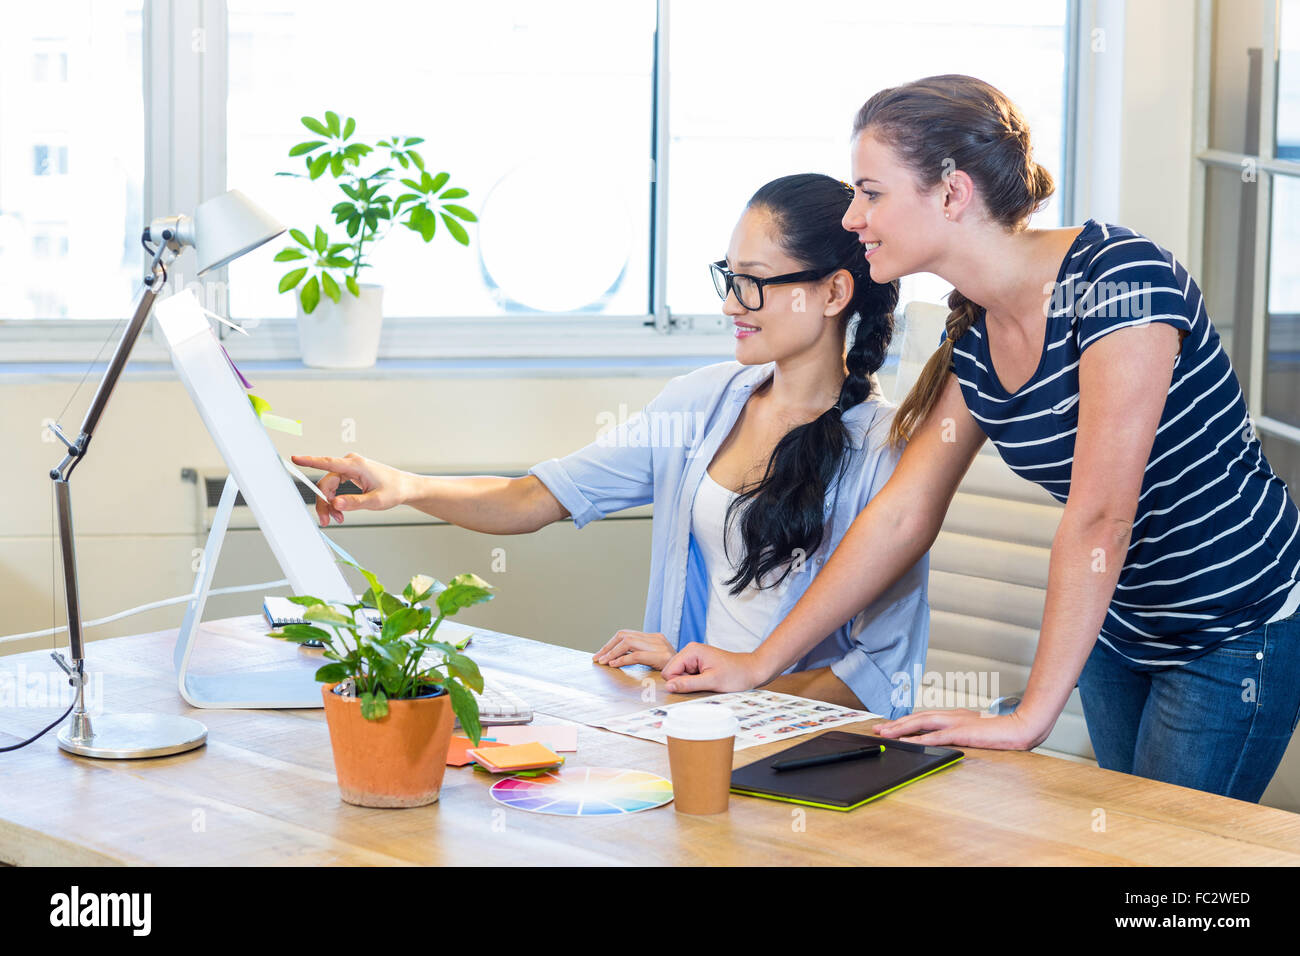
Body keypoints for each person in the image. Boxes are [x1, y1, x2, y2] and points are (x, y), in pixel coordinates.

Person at [662, 74, 1300, 802]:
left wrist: (1029, 717)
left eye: (870, 193)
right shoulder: (975, 336)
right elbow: (903, 514)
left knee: (1171, 865)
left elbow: (1101, 517)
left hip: (1233, 624)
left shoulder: (1121, 282)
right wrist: (758, 663)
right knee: (1123, 845)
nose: (851, 218)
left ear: (951, 193)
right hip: (1120, 623)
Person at [292, 172, 929, 716]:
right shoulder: (699, 404)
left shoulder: (884, 451)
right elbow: (533, 498)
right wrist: (409, 487)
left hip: (794, 750)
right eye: (727, 277)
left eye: (755, 281)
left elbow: (878, 676)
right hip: (688, 728)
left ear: (835, 292)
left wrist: (726, 695)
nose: (733, 302)